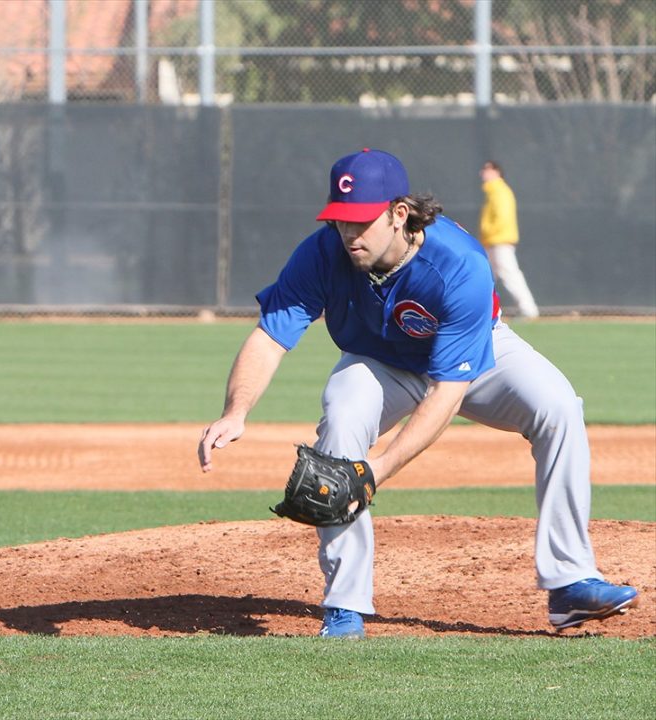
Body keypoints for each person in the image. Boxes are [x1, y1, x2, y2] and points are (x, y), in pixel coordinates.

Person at [197, 148, 638, 639]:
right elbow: (271, 335)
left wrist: (376, 471)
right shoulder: (322, 253)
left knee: (558, 406)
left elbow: (449, 391)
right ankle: (344, 606)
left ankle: (569, 582)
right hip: (382, 361)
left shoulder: (458, 265)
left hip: (473, 352)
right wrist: (235, 412)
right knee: (342, 416)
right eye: (339, 220)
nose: (347, 233)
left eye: (360, 221)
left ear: (398, 214)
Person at [478, 160, 540, 319]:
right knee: (485, 275)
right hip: (492, 241)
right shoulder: (493, 191)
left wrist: (489, 233)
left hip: (500, 241)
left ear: (497, 172)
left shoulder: (500, 191)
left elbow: (502, 218)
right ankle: (480, 310)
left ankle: (528, 309)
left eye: (487, 169)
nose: (483, 173)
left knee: (509, 273)